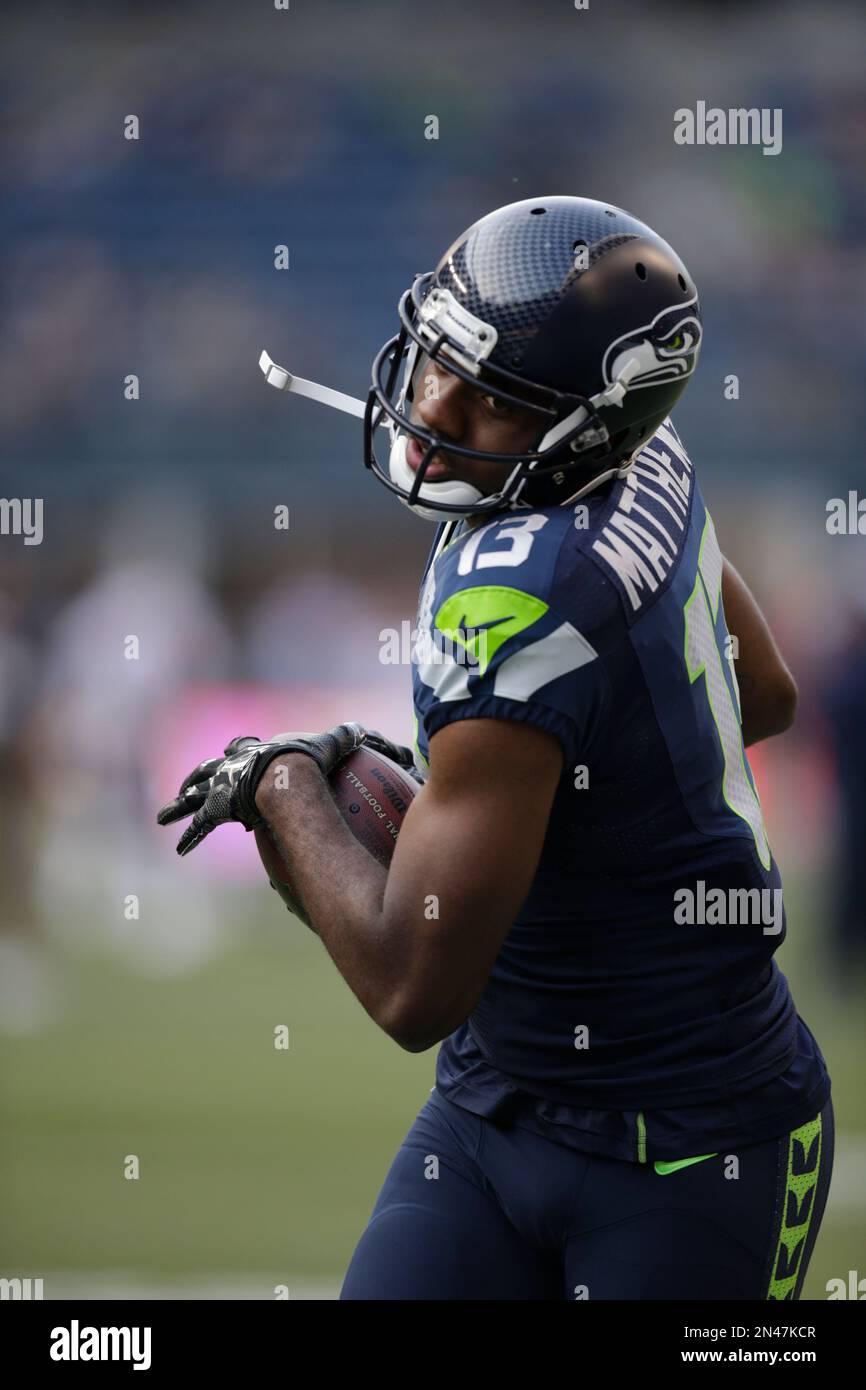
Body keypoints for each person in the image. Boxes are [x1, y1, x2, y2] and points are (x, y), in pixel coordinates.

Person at [158, 196, 833, 1300]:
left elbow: (410, 987)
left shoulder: (519, 597)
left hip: (687, 1149)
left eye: (490, 398)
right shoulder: (643, 456)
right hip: (494, 1107)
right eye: (437, 360)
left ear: (582, 423)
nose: (434, 404)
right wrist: (544, 803)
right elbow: (760, 690)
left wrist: (279, 783)